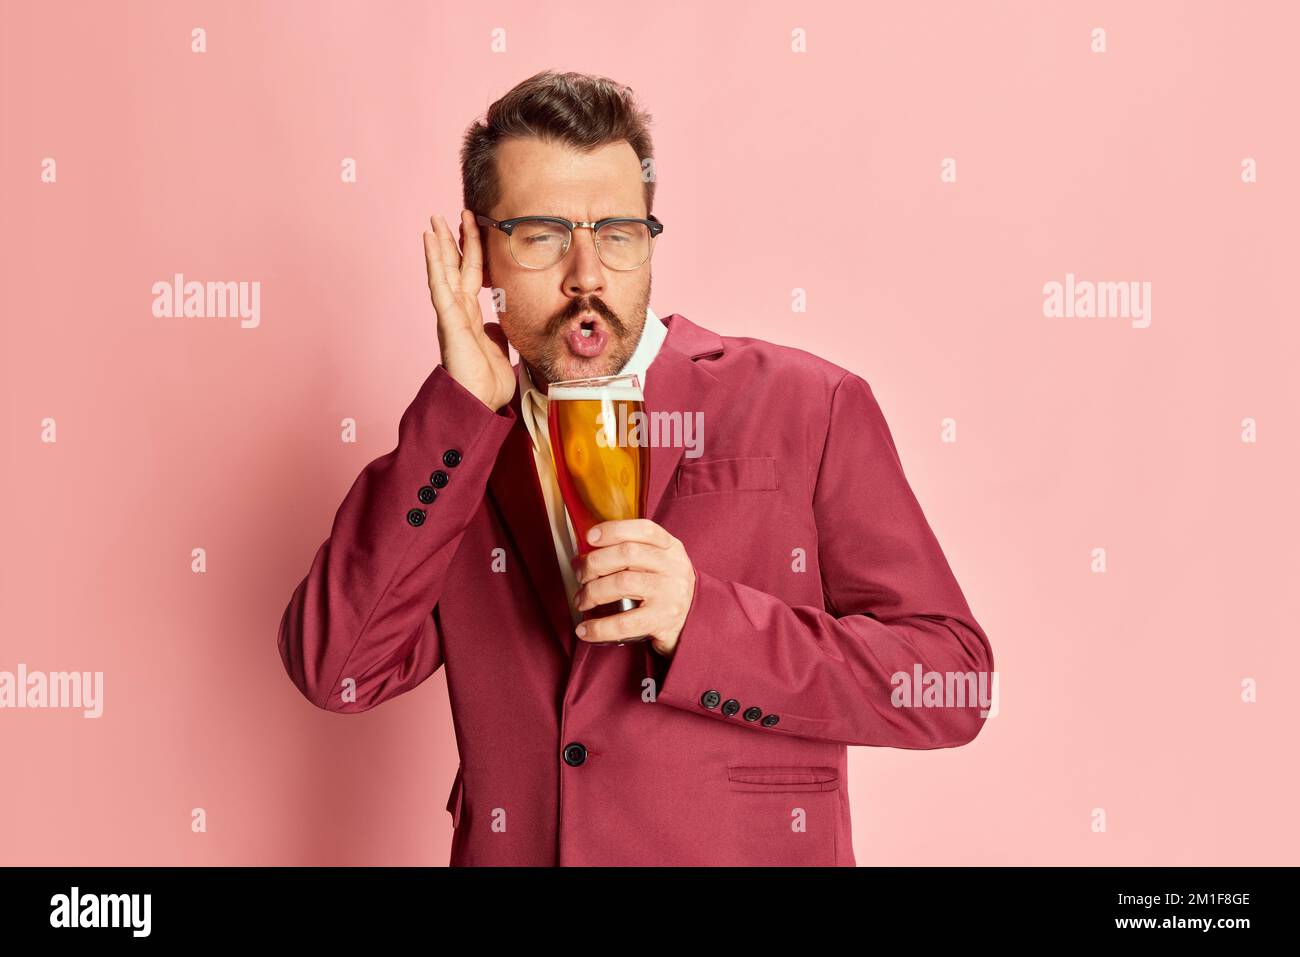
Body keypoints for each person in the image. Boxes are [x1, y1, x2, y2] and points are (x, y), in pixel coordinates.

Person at [277, 70, 994, 866]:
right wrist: (459, 405)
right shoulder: (458, 454)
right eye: (543, 235)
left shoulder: (808, 404)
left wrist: (706, 621)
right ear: (478, 253)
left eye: (617, 232)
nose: (587, 274)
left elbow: (954, 682)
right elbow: (335, 668)